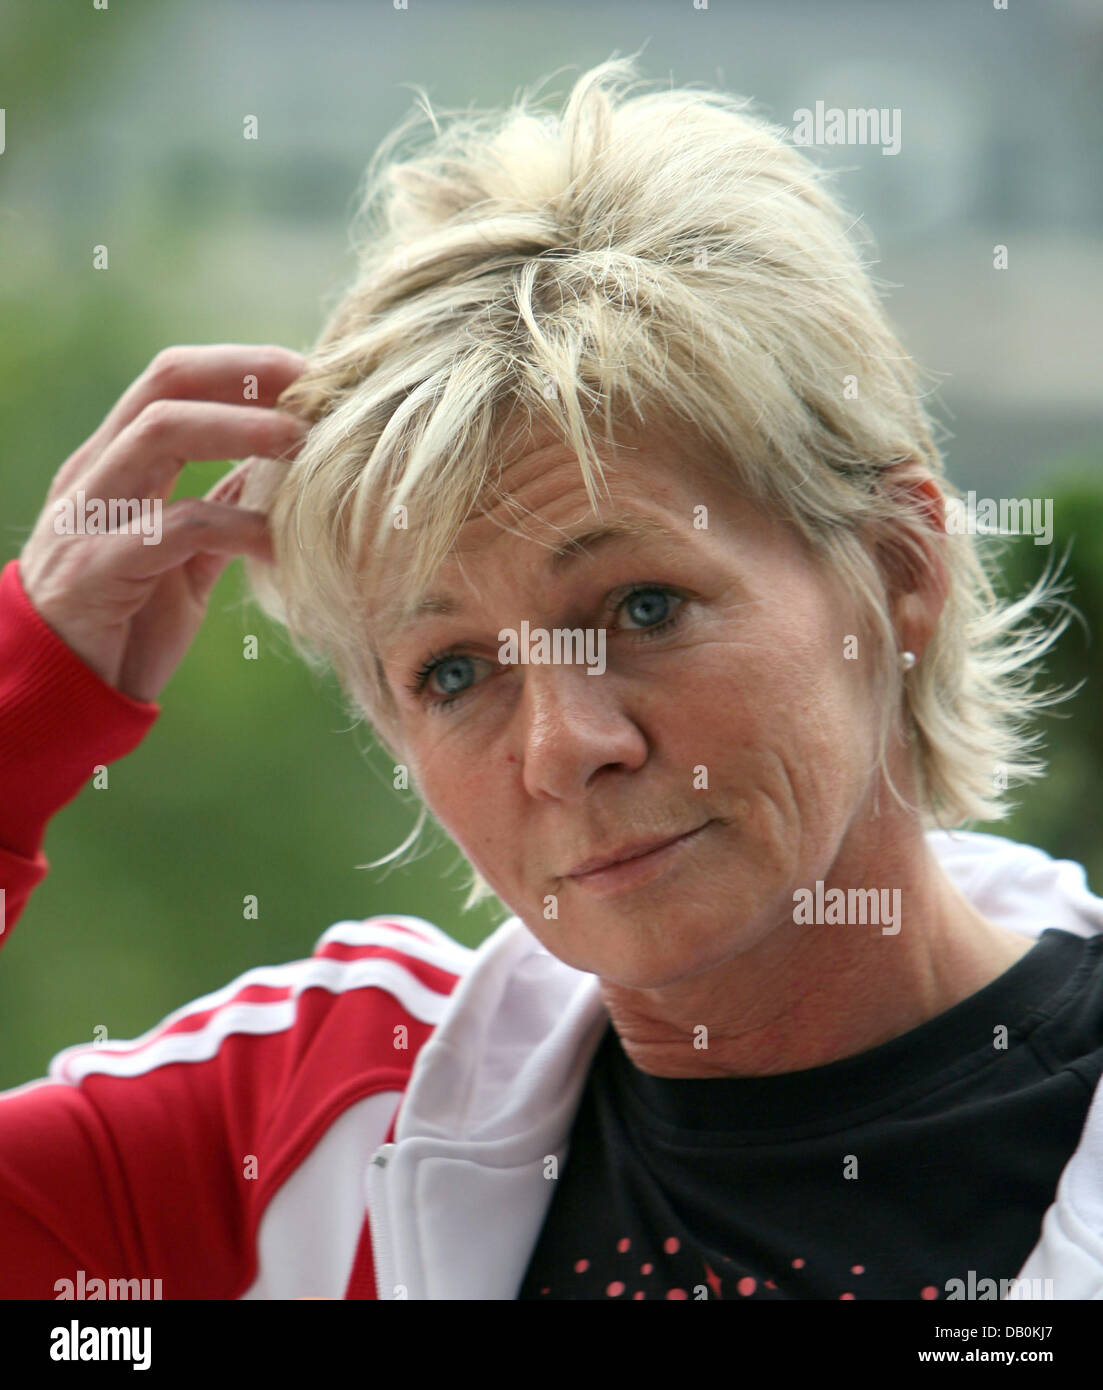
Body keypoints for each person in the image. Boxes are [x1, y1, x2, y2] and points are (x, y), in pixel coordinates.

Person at [2, 57, 1101, 1303]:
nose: (563, 744)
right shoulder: (300, 1128)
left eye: (642, 606)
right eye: (453, 671)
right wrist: (24, 707)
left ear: (900, 568)